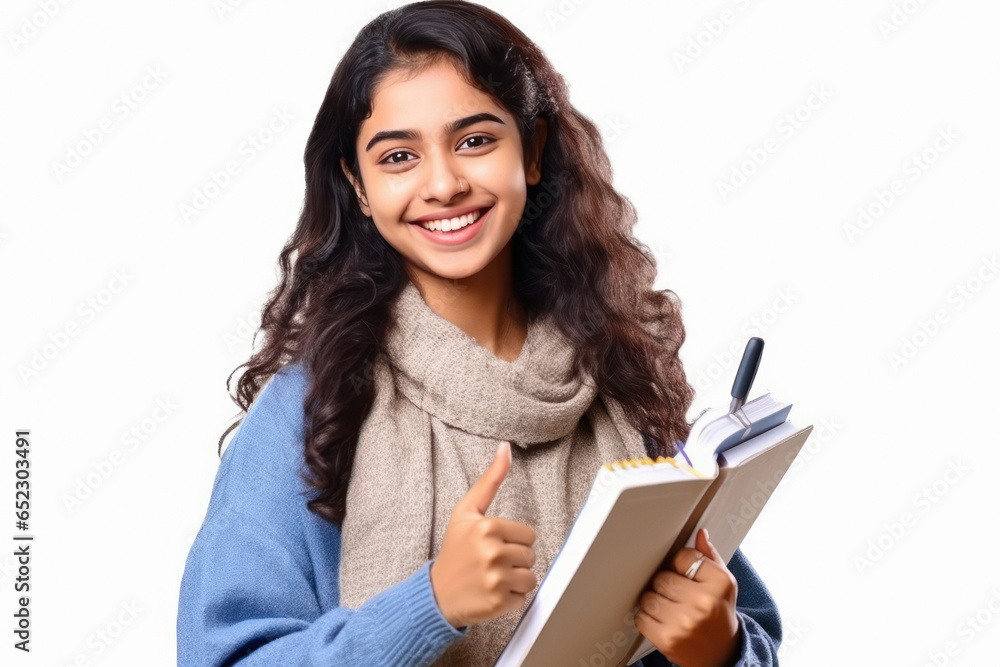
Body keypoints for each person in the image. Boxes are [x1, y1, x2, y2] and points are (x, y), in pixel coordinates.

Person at [176, 2, 783, 665]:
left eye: (475, 140)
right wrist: (430, 602)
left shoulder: (616, 381)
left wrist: (719, 648)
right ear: (357, 183)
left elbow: (745, 628)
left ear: (533, 151)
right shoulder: (310, 411)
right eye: (399, 156)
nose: (443, 184)